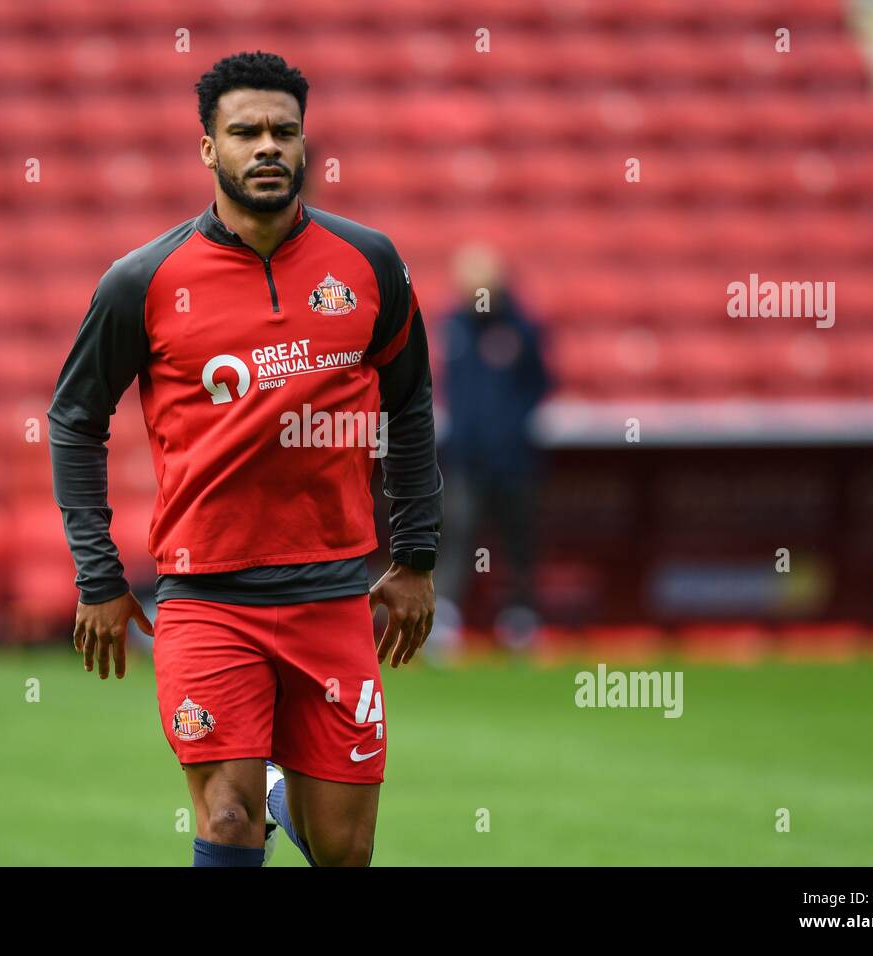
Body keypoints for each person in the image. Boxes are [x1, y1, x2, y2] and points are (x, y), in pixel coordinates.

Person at [47, 51, 442, 867]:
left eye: (283, 132)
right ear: (208, 149)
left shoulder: (369, 264)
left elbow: (409, 409)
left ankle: (281, 793)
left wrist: (416, 557)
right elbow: (73, 420)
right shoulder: (143, 280)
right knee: (226, 820)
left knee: (343, 849)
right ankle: (253, 796)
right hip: (206, 599)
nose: (267, 146)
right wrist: (98, 575)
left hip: (334, 593)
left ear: (305, 144)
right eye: (246, 132)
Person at [434, 242, 551, 649]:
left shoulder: (522, 329)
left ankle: (521, 618)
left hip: (513, 459)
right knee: (457, 535)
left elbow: (540, 384)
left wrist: (510, 427)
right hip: (465, 458)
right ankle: (444, 622)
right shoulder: (453, 326)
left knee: (518, 539)